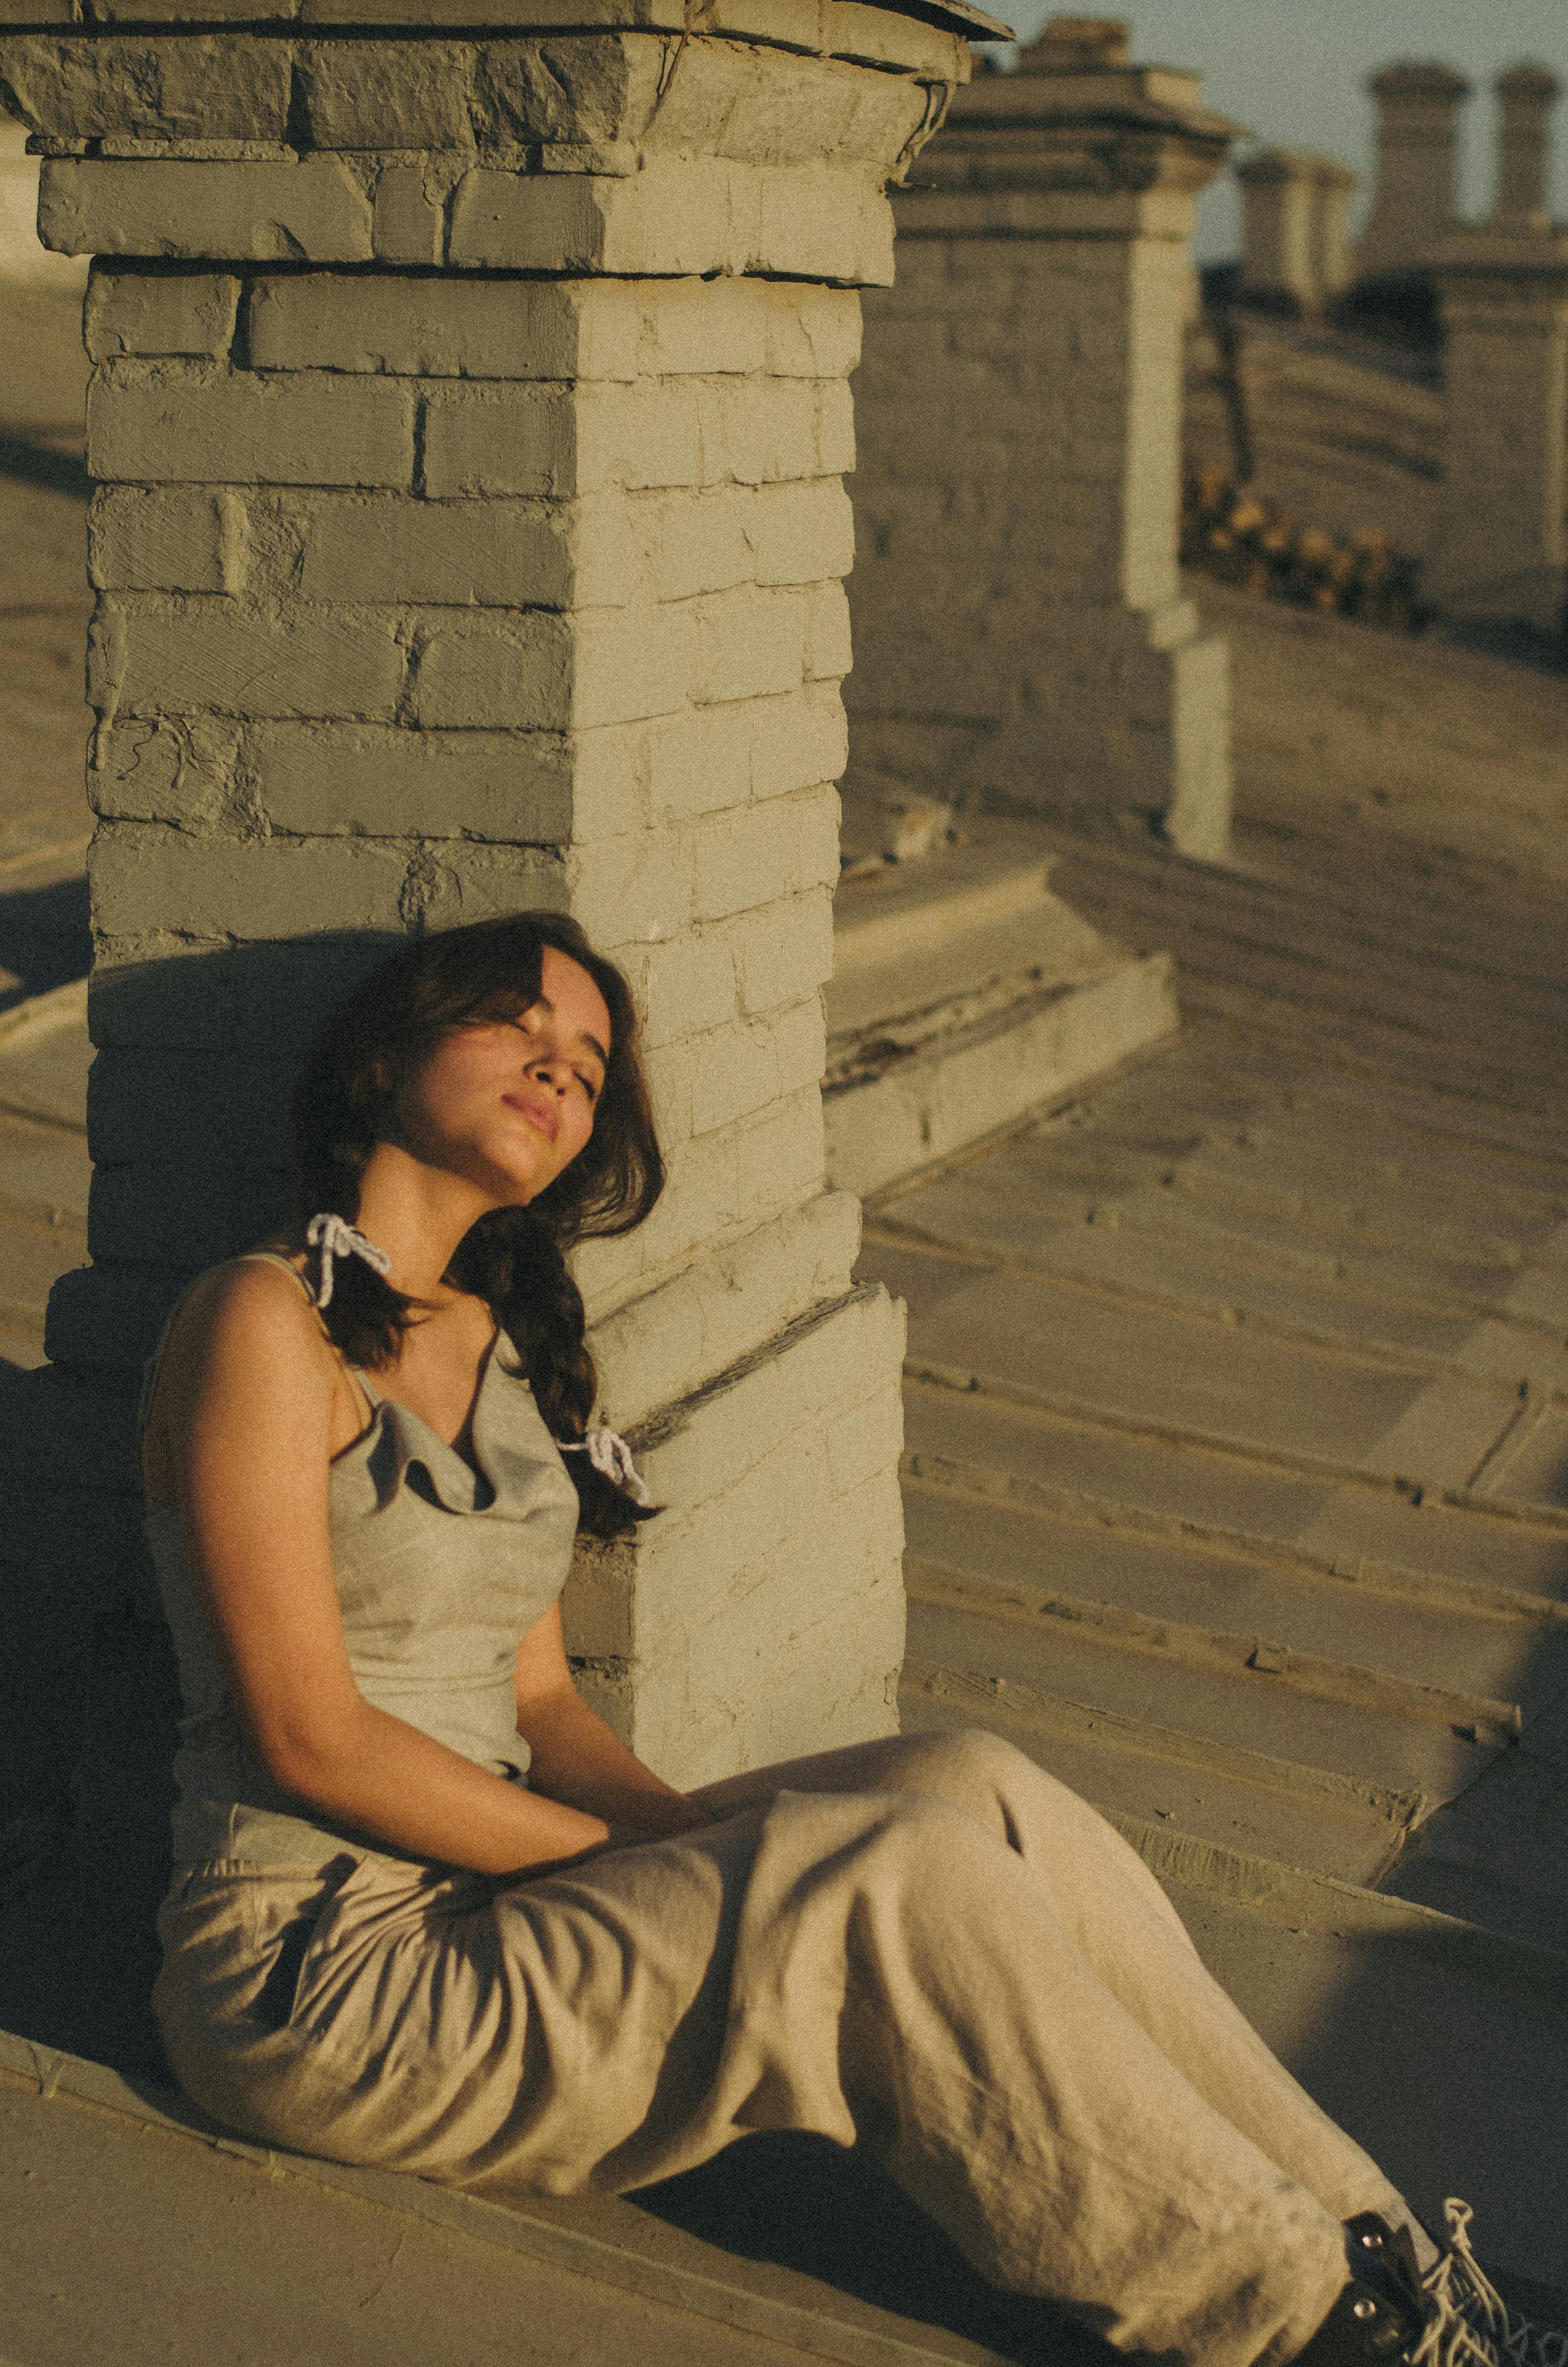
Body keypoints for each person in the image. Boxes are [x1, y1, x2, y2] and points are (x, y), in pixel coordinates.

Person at [141, 911, 1540, 2367]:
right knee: (893, 1878)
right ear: (385, 1053)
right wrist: (658, 1868)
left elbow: (540, 1700)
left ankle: (1376, 2253)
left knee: (964, 1782)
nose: (561, 1073)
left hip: (497, 1901)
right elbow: (308, 1737)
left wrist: (689, 1844)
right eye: (519, 1027)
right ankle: (1301, 2327)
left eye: (589, 1063)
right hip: (321, 1974)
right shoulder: (260, 1321)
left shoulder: (499, 1349)